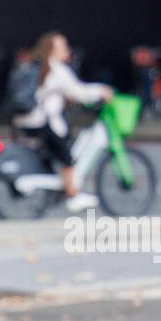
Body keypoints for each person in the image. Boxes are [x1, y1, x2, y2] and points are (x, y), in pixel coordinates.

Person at [12, 31, 114, 212]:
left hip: (27, 121)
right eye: (63, 47)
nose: (67, 50)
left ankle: (62, 188)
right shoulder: (56, 69)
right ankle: (72, 194)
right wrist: (102, 91)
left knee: (64, 144)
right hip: (41, 122)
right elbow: (79, 92)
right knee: (66, 156)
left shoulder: (40, 66)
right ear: (52, 50)